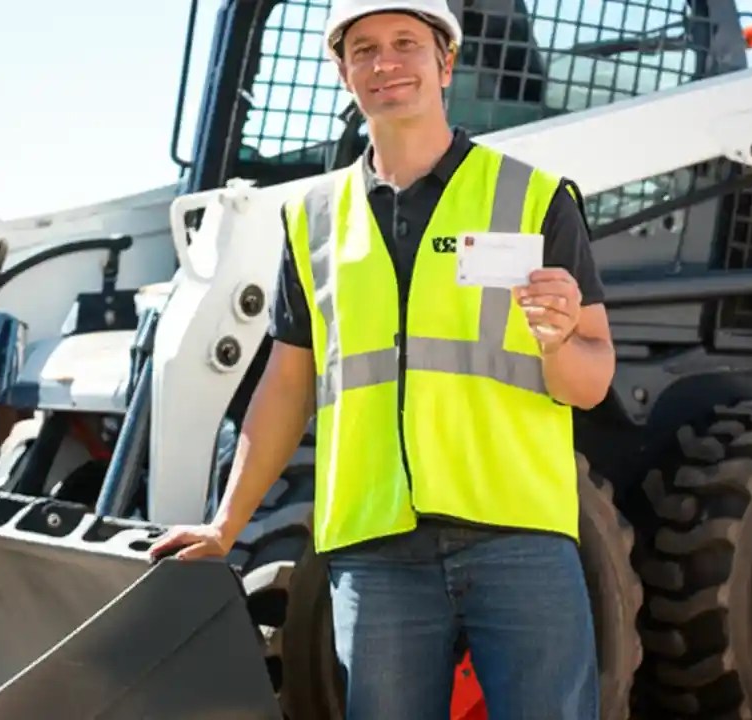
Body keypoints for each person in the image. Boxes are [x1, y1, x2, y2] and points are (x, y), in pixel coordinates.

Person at [148, 0, 615, 717]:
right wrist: (225, 524)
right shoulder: (312, 220)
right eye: (363, 49)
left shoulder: (535, 199)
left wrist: (554, 342)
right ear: (344, 72)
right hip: (377, 553)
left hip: (518, 543)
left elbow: (592, 381)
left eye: (405, 42)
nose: (385, 63)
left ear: (445, 62)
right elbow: (286, 385)